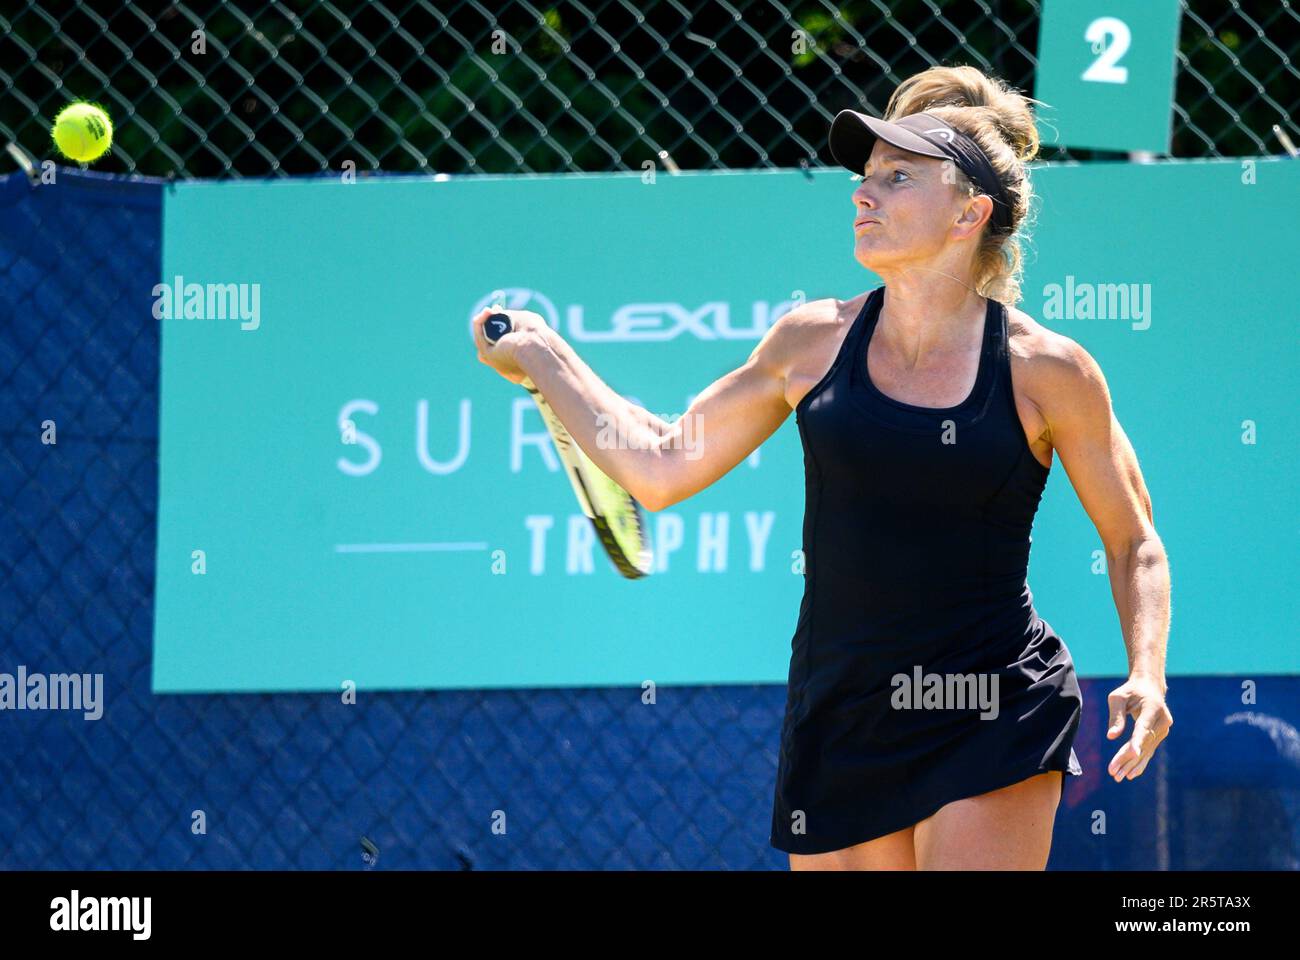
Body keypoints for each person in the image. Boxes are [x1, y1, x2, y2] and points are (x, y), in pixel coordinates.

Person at [472, 64, 1172, 871]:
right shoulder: (809, 343)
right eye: (866, 177)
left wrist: (1147, 674)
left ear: (968, 213)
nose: (864, 194)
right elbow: (660, 468)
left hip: (991, 703)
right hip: (842, 714)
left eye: (899, 177)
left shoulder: (1050, 370)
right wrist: (541, 352)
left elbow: (1134, 541)